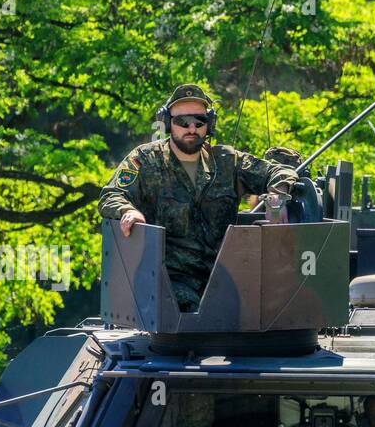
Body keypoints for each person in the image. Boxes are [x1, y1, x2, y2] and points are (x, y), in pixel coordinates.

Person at [98, 84, 299, 310]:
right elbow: (111, 195)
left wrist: (277, 195)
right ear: (167, 123)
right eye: (183, 122)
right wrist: (128, 211)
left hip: (225, 278)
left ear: (209, 124)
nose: (192, 128)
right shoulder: (145, 160)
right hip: (170, 280)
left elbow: (279, 171)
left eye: (199, 121)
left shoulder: (227, 161)